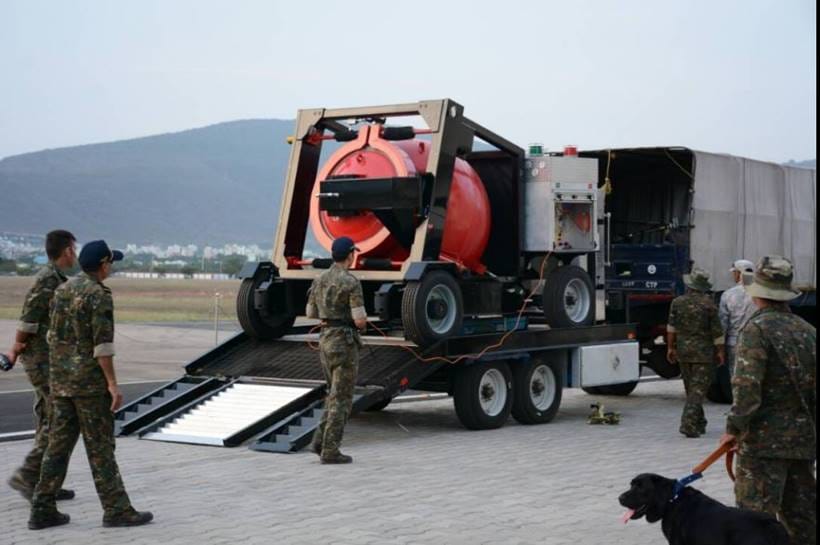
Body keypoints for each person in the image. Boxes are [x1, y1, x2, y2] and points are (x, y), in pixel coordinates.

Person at [28, 240, 153, 530]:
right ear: (103, 264)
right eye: (111, 262)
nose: (112, 267)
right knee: (100, 449)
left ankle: (42, 508)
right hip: (88, 386)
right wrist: (112, 384)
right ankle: (116, 509)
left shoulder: (63, 290)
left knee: (57, 447)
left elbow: (51, 337)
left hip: (60, 382)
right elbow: (102, 347)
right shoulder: (98, 295)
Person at [720, 256, 816, 545]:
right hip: (802, 441)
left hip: (763, 445)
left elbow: (747, 390)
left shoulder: (756, 330)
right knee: (803, 519)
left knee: (753, 522)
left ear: (757, 292)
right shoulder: (808, 331)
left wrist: (733, 429)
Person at [6, 230, 77, 502]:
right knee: (58, 418)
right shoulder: (48, 279)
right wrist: (15, 349)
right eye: (74, 248)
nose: (76, 254)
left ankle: (46, 482)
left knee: (49, 417)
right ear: (67, 251)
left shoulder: (57, 279)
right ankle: (28, 476)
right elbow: (28, 320)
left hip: (50, 360)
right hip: (42, 361)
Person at [306, 236, 367, 464]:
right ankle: (331, 450)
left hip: (325, 340)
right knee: (341, 399)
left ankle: (319, 442)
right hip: (344, 343)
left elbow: (310, 312)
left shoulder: (319, 279)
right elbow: (359, 320)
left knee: (332, 394)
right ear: (350, 254)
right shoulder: (351, 282)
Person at [666, 267, 725, 438]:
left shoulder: (677, 302)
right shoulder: (709, 305)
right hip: (704, 354)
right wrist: (720, 352)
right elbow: (717, 332)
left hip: (684, 352)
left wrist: (670, 347)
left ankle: (700, 422)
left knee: (691, 389)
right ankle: (689, 424)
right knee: (698, 391)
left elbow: (671, 328)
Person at [719, 259, 756, 375]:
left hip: (734, 343)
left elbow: (723, 324)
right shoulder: (761, 293)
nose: (733, 275)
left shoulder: (728, 294)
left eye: (734, 272)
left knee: (736, 376)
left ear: (739, 273)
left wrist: (720, 348)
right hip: (756, 342)